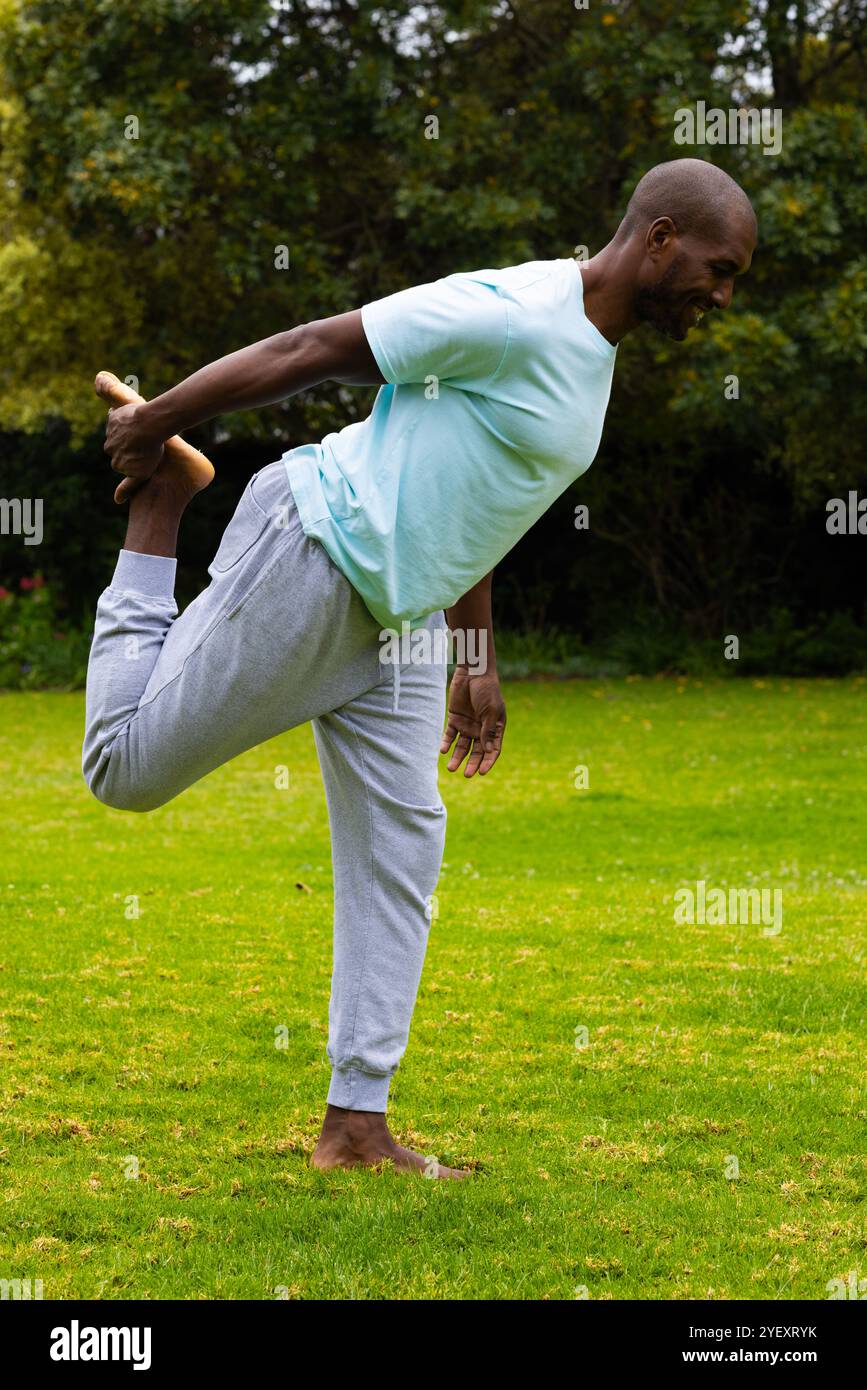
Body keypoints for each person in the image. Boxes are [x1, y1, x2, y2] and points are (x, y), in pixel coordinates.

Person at [84, 158, 757, 1177]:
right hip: (321, 554)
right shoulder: (516, 313)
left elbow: (478, 497)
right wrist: (161, 417)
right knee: (123, 773)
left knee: (402, 852)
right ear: (658, 238)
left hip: (400, 620)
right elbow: (314, 346)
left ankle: (357, 1125)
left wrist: (474, 656)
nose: (722, 292)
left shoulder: (591, 355)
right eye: (718, 268)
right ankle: (164, 506)